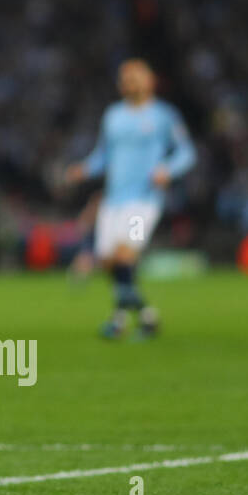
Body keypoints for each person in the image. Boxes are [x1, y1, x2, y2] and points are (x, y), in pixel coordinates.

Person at [64, 59, 196, 340]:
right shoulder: (113, 116)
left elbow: (187, 153)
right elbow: (103, 156)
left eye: (136, 76)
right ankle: (147, 317)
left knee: (125, 254)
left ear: (150, 81)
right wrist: (84, 169)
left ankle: (117, 321)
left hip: (143, 201)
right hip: (113, 202)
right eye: (125, 78)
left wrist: (167, 169)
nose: (130, 82)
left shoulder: (164, 116)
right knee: (111, 263)